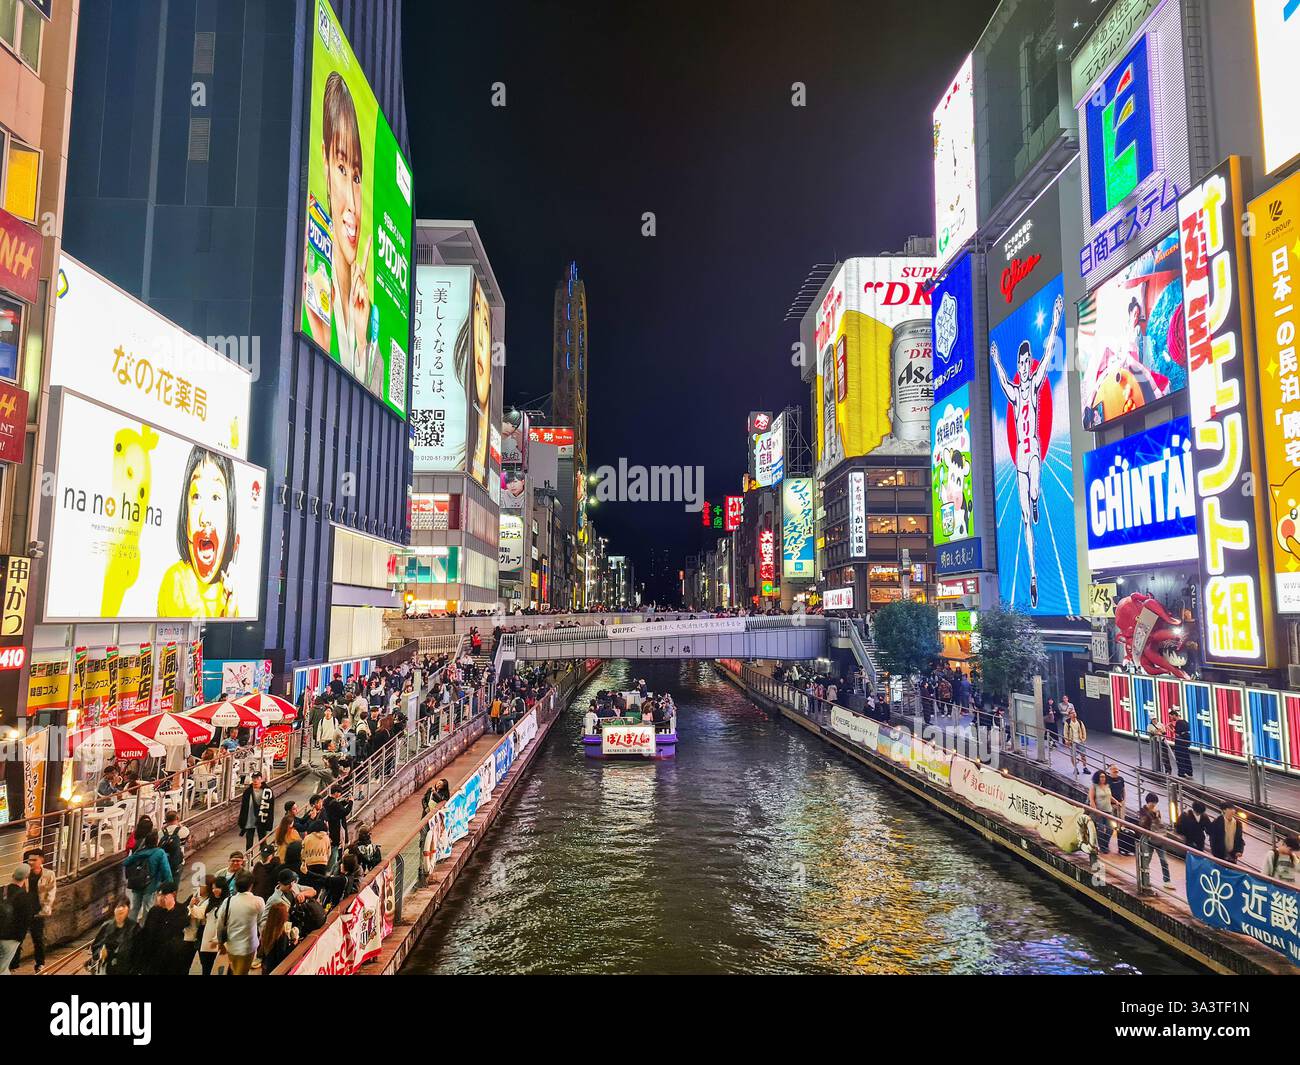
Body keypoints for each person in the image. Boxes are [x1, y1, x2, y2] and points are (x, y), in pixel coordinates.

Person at [991, 291, 1062, 607]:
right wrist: (994, 358)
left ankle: (1036, 498)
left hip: (1033, 449)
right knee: (1023, 518)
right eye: (1020, 362)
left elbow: (1048, 353)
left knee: (1033, 492)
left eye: (1025, 361)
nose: (1024, 366)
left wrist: (1056, 317)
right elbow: (1003, 379)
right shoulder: (1015, 390)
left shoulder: (1033, 387)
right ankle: (1033, 577)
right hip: (1019, 453)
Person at [156, 446, 242, 618]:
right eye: (196, 496)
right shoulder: (175, 580)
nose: (205, 517)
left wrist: (230, 613)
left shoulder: (227, 591)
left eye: (215, 497)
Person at [134, 883, 193, 976]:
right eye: (158, 895)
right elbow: (146, 933)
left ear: (173, 894)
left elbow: (177, 928)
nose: (160, 898)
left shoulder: (182, 910)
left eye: (164, 895)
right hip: (153, 959)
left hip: (171, 960)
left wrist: (170, 910)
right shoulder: (154, 911)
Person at [13, 849, 55, 973]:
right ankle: (14, 965)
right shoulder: (23, 873)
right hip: (23, 911)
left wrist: (46, 909)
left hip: (37, 911)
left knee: (38, 938)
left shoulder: (48, 874)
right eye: (29, 860)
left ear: (41, 859)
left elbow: (51, 892)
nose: (31, 862)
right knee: (17, 939)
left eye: (34, 859)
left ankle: (40, 964)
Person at [215, 871, 264, 975]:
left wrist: (220, 942)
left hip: (231, 945)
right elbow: (261, 923)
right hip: (249, 946)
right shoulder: (258, 901)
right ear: (251, 885)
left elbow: (219, 924)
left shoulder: (228, 901)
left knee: (235, 970)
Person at [124, 831, 173, 924]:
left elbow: (126, 862)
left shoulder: (140, 852)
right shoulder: (159, 853)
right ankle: (145, 927)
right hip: (151, 885)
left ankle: (130, 928)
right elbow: (166, 869)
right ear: (156, 841)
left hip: (137, 883)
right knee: (148, 907)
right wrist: (170, 885)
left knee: (135, 907)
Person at [0, 865, 35, 974]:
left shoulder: (1, 890)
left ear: (13, 875)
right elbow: (26, 920)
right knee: (2, 968)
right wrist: (19, 938)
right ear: (26, 878)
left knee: (3, 967)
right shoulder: (25, 897)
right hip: (11, 938)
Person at [89, 898, 137, 976]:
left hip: (127, 969)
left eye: (123, 909)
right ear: (114, 910)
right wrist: (100, 953)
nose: (120, 915)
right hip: (108, 968)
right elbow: (96, 946)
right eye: (118, 909)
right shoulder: (106, 926)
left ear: (128, 910)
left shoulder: (135, 928)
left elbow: (139, 951)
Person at [1137, 793, 1175, 890]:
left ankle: (1167, 881)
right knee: (1146, 860)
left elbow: (1160, 825)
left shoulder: (1157, 811)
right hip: (1148, 839)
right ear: (1148, 802)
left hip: (1158, 839)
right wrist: (1152, 815)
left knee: (1164, 860)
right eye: (1152, 803)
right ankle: (1145, 879)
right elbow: (1143, 825)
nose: (1153, 805)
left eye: (1155, 803)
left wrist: (1157, 817)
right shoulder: (1142, 811)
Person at [192, 876, 228, 975]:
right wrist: (192, 906)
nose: (215, 890)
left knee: (220, 969)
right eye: (213, 888)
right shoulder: (209, 901)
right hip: (207, 941)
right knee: (206, 968)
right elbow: (200, 913)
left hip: (221, 942)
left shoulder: (228, 902)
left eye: (217, 888)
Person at [258, 901, 297, 974]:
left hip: (266, 967)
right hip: (277, 970)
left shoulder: (266, 930)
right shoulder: (281, 936)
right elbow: (282, 957)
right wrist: (293, 944)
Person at [238, 771, 274, 849]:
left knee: (263, 842)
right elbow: (243, 808)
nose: (255, 780)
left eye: (257, 778)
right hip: (250, 820)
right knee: (249, 843)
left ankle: (264, 858)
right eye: (254, 778)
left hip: (261, 820)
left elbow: (270, 809)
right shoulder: (247, 792)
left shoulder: (267, 791)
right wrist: (242, 821)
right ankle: (249, 860)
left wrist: (269, 822)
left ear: (261, 779)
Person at [325, 783, 353, 873]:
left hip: (329, 828)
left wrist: (345, 801)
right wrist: (351, 802)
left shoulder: (326, 801)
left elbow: (337, 806)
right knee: (335, 850)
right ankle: (331, 870)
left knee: (333, 849)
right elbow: (345, 811)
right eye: (339, 793)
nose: (340, 795)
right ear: (336, 793)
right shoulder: (335, 804)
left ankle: (330, 869)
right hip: (336, 829)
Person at [159, 810, 190, 885]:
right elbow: (188, 841)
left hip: (164, 861)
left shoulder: (161, 833)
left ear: (166, 820)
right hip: (178, 861)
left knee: (163, 885)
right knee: (174, 885)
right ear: (177, 818)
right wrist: (180, 825)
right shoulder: (183, 831)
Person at [1087, 770, 1115, 854]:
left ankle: (1105, 845)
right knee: (1101, 829)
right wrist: (1095, 810)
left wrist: (1116, 802)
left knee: (1111, 829)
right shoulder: (1094, 786)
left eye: (1104, 777)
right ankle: (1102, 847)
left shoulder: (1107, 786)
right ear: (1097, 778)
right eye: (1101, 777)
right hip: (1099, 811)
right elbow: (1091, 799)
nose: (1103, 778)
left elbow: (1109, 796)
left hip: (1108, 810)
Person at [1062, 707, 1088, 776]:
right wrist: (1067, 740)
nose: (1074, 714)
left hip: (1080, 741)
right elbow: (1065, 732)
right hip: (1072, 742)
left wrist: (1083, 739)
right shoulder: (1067, 722)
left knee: (1083, 755)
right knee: (1073, 756)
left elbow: (1083, 730)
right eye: (1072, 713)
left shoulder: (1079, 722)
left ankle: (1085, 767)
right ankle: (1075, 768)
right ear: (1069, 715)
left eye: (1074, 712)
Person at [1169, 709, 1194, 779]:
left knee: (1180, 757)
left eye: (1171, 717)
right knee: (1186, 756)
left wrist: (1169, 728)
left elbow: (1177, 733)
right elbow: (1182, 731)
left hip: (1180, 742)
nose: (1171, 719)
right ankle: (1189, 771)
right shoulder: (1185, 722)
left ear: (1174, 715)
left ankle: (1182, 772)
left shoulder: (1178, 722)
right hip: (1186, 741)